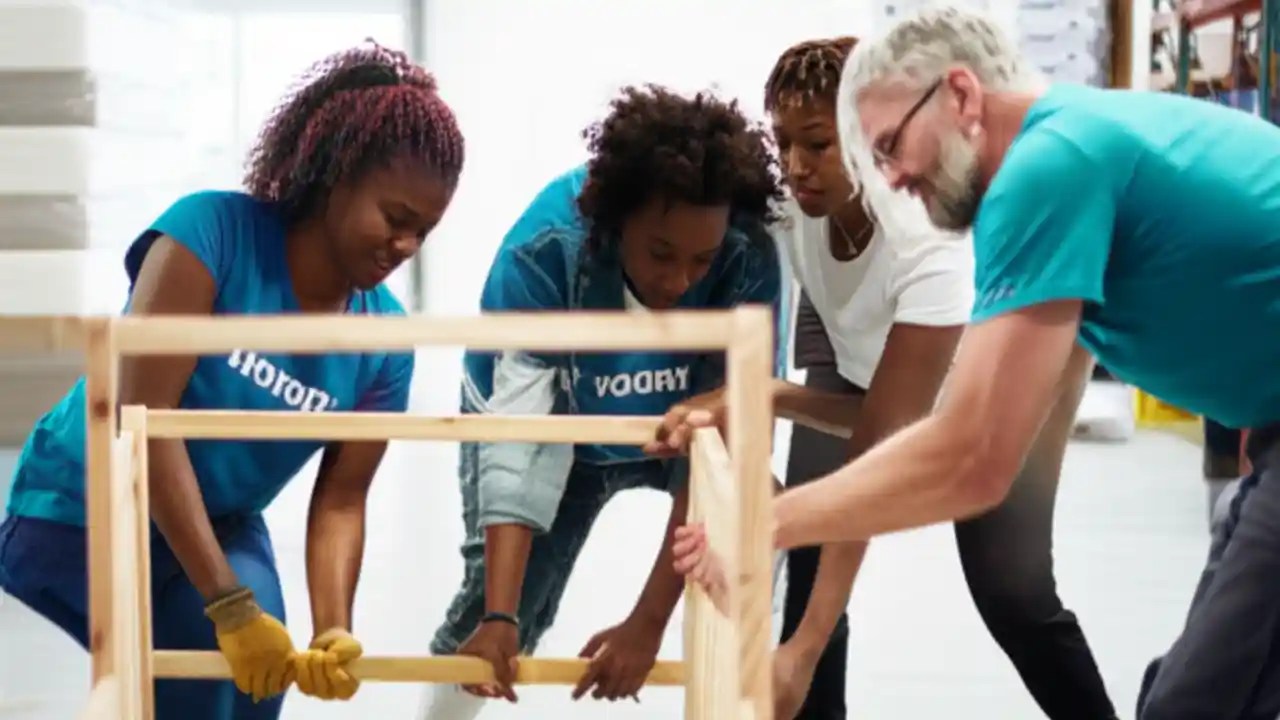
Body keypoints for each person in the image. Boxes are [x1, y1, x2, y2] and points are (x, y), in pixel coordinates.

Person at [671, 6, 1280, 719]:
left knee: (1183, 698)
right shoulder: (1067, 147)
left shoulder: (1045, 169)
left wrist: (764, 525)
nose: (892, 178)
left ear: (960, 96)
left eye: (892, 145)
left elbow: (971, 455)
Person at [0, 41, 464, 720]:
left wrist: (334, 626)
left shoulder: (384, 340)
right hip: (86, 505)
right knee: (199, 676)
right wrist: (228, 602)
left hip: (217, 520)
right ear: (335, 175)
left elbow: (340, 501)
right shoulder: (207, 234)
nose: (405, 247)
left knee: (253, 686)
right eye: (395, 219)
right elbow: (142, 420)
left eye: (424, 231)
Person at [663, 36, 1116, 720]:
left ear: (863, 133)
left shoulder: (925, 241)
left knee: (1011, 593)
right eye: (783, 142)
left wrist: (803, 650)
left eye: (816, 144)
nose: (795, 166)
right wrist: (768, 394)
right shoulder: (792, 206)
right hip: (865, 362)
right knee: (812, 558)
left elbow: (883, 445)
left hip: (1003, 373)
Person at [416, 83, 785, 719]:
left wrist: (647, 624)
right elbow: (518, 439)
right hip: (549, 417)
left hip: (676, 423)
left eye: (701, 260)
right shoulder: (546, 249)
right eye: (660, 253)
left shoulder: (748, 255)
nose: (678, 280)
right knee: (493, 623)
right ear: (617, 222)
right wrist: (501, 613)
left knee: (752, 519)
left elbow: (724, 457)